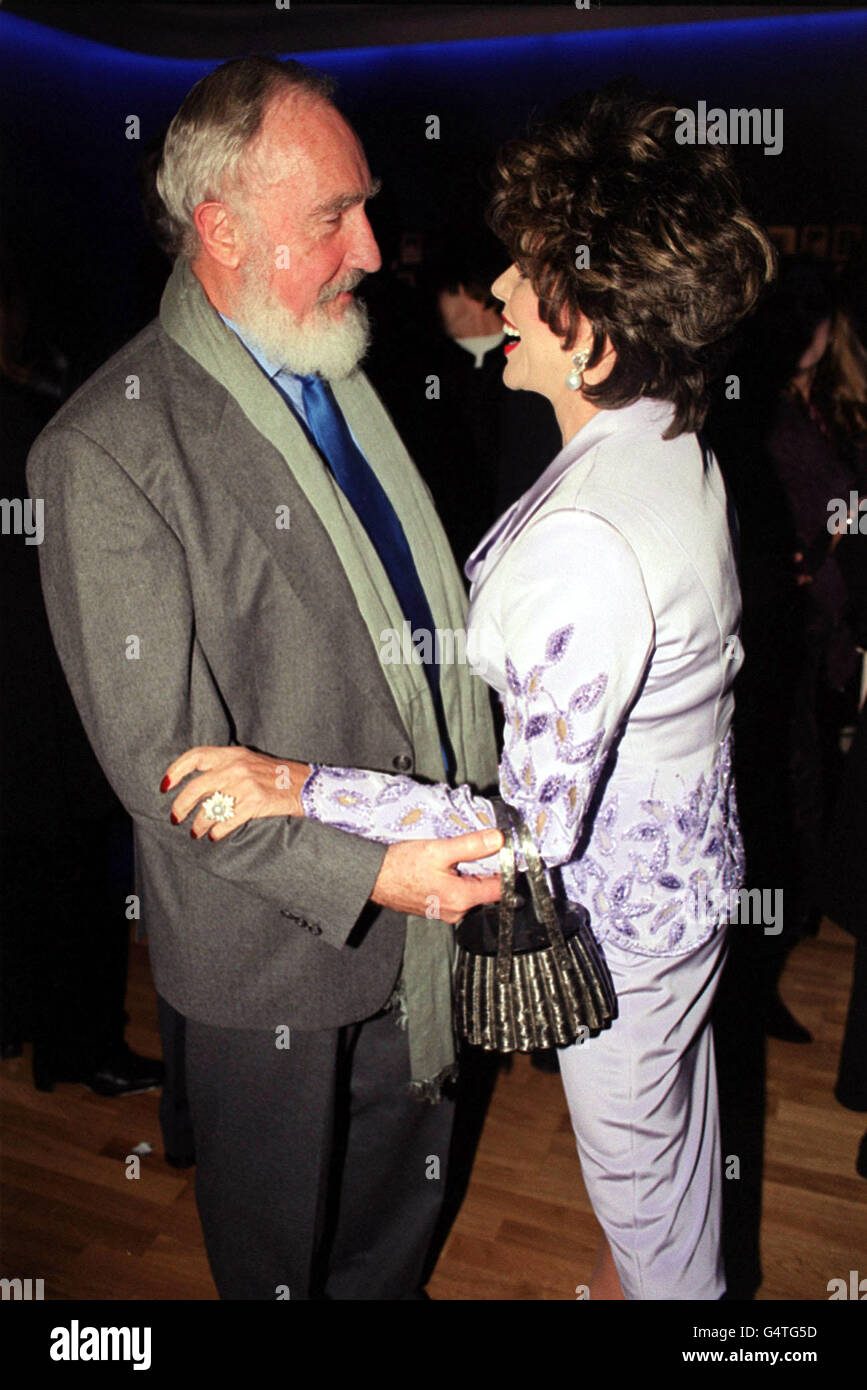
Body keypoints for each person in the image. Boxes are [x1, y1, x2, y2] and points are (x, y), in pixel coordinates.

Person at [162, 84, 776, 1300]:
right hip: (687, 897)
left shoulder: (590, 537)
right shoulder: (666, 439)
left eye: (525, 272)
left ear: (592, 329)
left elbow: (523, 840)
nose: (494, 291)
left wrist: (295, 782)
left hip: (619, 936)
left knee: (650, 1218)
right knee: (676, 1170)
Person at [26, 55, 503, 1301]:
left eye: (367, 208)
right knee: (282, 1262)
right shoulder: (103, 449)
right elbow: (166, 773)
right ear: (220, 229)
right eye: (332, 217)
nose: (370, 247)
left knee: (397, 1237)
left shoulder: (343, 372)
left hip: (421, 921)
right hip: (275, 957)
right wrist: (380, 869)